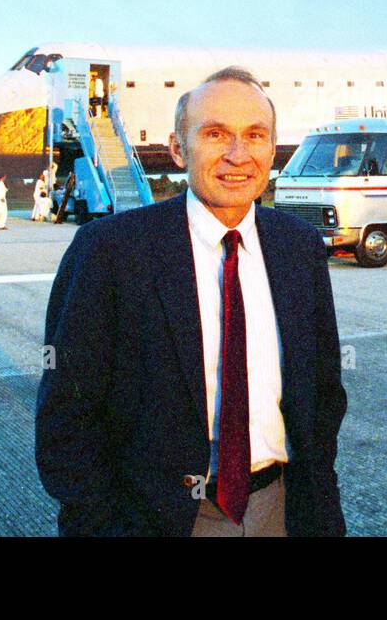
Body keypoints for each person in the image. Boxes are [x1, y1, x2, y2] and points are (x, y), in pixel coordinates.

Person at [36, 66, 347, 537]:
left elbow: (324, 392)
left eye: (255, 136)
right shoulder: (111, 252)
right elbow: (66, 418)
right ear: (178, 148)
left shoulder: (299, 248)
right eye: (216, 133)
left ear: (272, 148)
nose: (238, 155)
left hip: (281, 510)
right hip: (161, 519)